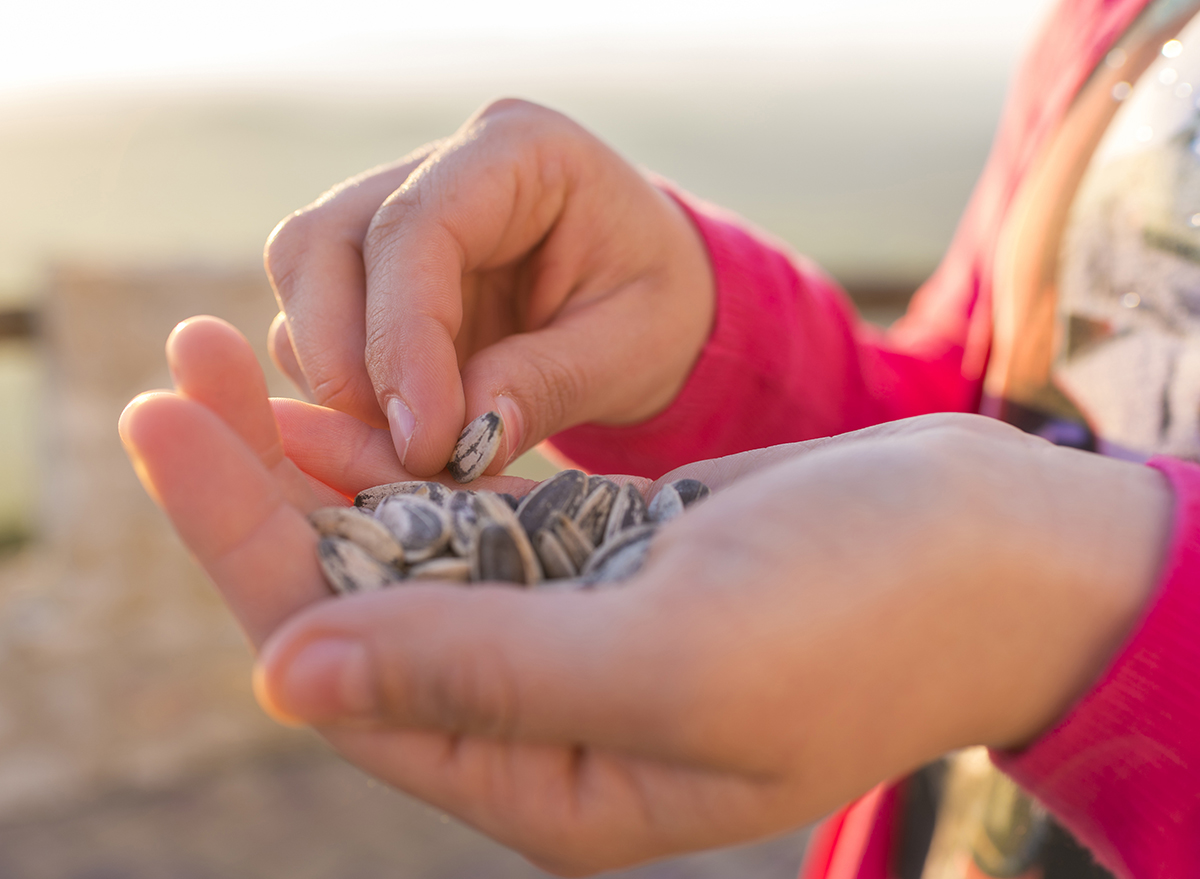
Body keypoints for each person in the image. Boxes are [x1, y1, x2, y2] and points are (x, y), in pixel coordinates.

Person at [118, 0, 1200, 876]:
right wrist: (700, 336)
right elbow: (991, 408)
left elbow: (1012, 503)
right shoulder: (1101, 18)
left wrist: (1084, 600)